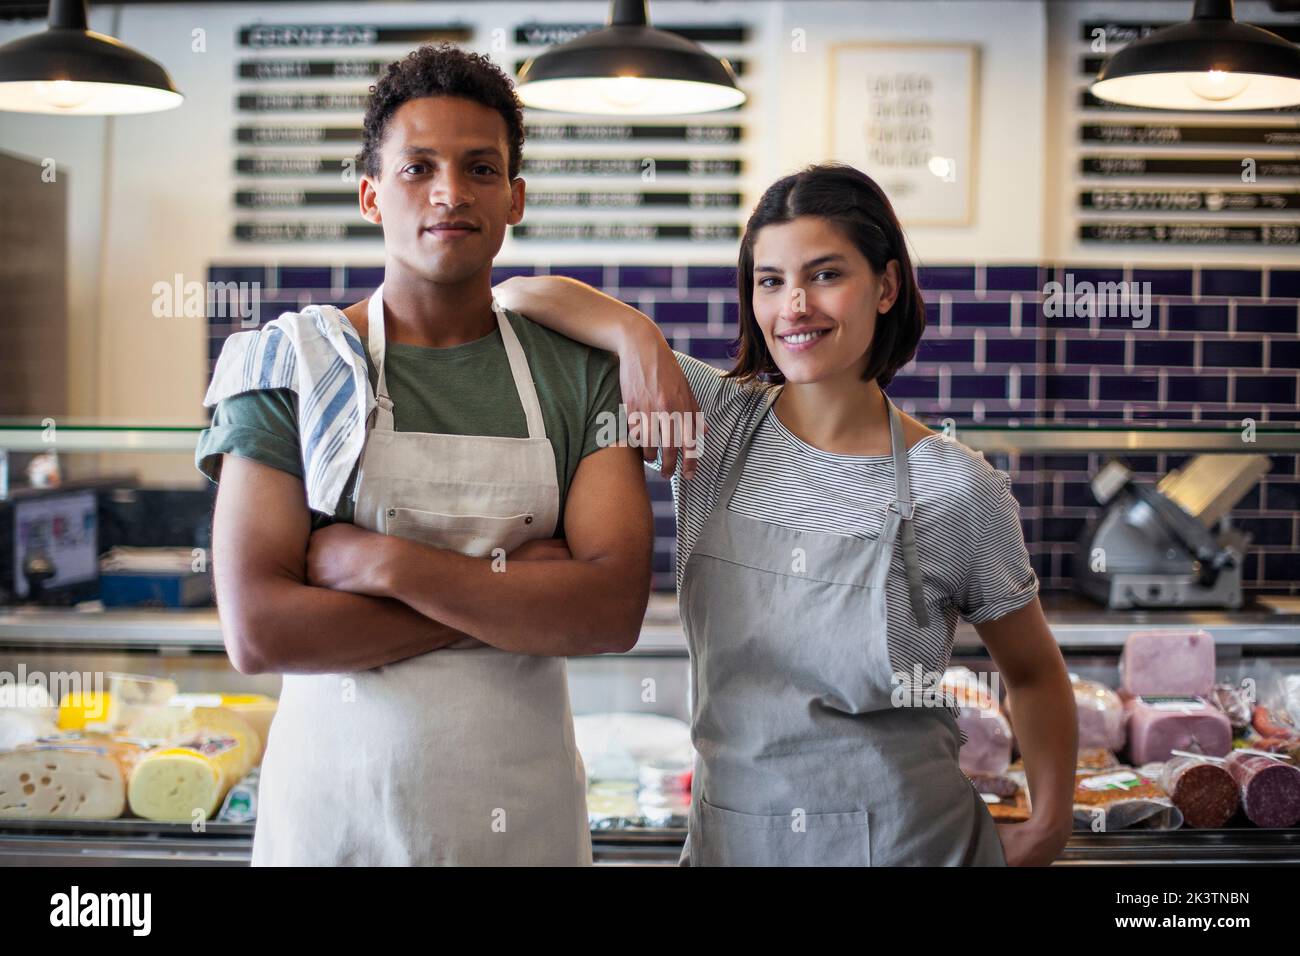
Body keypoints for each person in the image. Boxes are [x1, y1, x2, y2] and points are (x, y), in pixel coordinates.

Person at [494, 163, 1077, 866]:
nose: (794, 305)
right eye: (769, 281)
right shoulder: (714, 422)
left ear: (887, 286)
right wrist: (635, 334)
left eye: (826, 274)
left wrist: (1050, 822)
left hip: (908, 842)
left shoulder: (955, 485)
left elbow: (1036, 674)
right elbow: (516, 296)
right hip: (735, 839)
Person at [196, 44, 653, 865]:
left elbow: (610, 611)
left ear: (514, 198)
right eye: (418, 168)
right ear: (372, 195)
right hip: (335, 829)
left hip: (523, 823)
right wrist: (512, 597)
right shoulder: (288, 366)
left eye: (481, 168)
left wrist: (386, 565)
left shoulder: (580, 374)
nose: (450, 193)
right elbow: (260, 631)